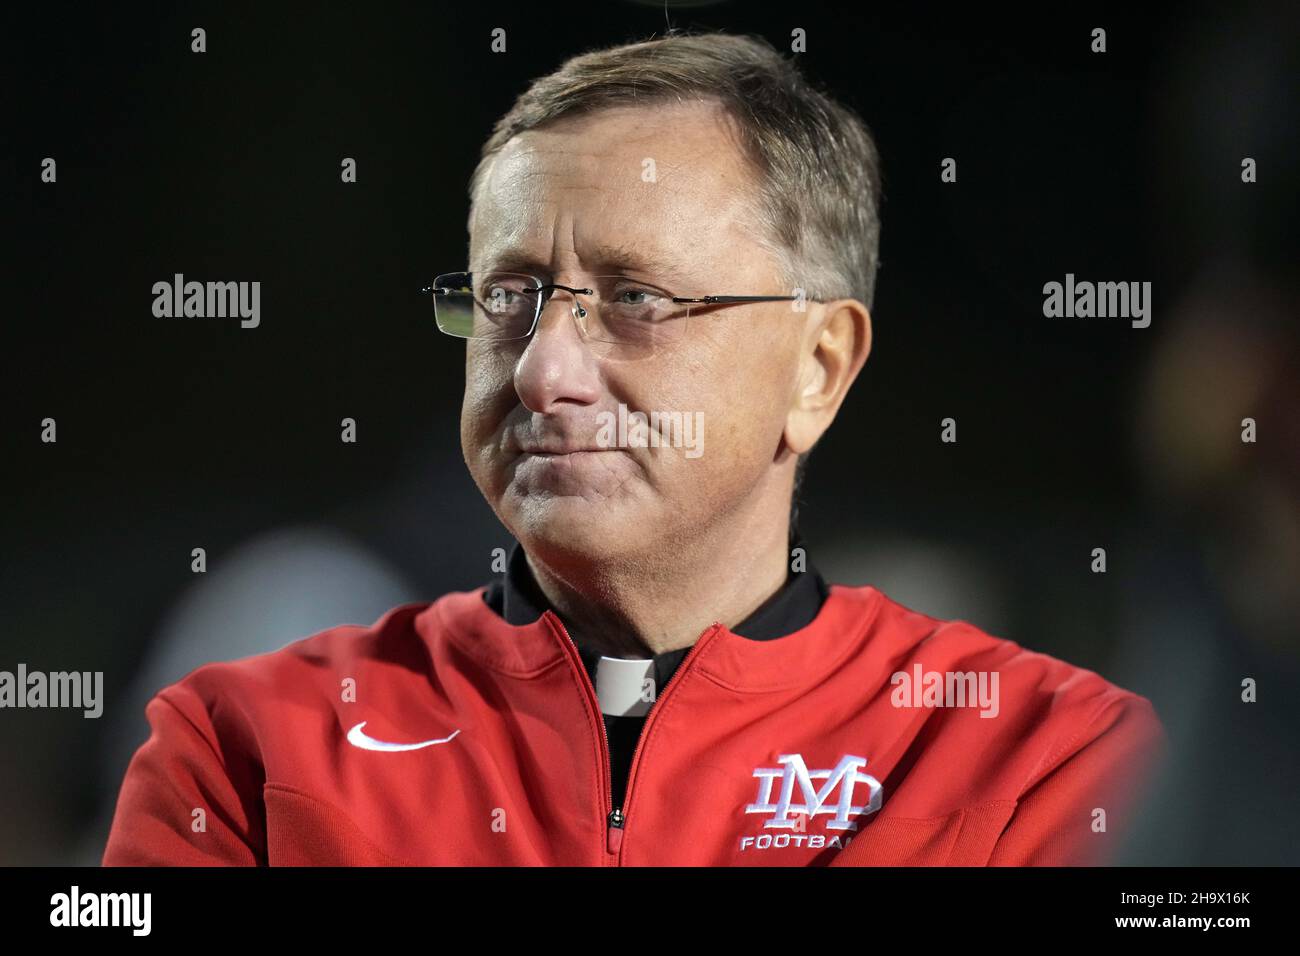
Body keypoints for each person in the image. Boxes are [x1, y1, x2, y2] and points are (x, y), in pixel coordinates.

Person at [103, 31, 1165, 866]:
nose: (538, 369)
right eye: (509, 296)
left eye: (637, 298)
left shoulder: (1050, 758)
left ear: (818, 367)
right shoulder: (241, 744)